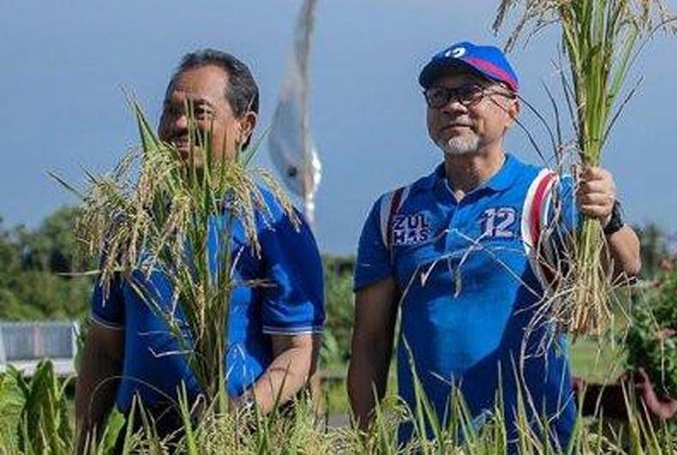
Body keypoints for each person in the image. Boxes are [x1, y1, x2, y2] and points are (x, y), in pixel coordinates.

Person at [348, 41, 641, 450]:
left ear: (512, 110)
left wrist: (609, 215)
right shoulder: (394, 211)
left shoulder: (548, 196)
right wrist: (365, 440)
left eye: (470, 92)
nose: (452, 106)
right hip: (427, 442)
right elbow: (370, 341)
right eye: (440, 95)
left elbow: (625, 268)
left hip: (532, 438)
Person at [75, 49, 325, 451]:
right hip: (145, 434)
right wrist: (84, 442)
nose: (178, 125)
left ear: (245, 126)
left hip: (240, 431)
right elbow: (104, 347)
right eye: (170, 111)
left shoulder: (274, 223)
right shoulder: (133, 223)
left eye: (199, 112)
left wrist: (235, 419)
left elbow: (297, 354)